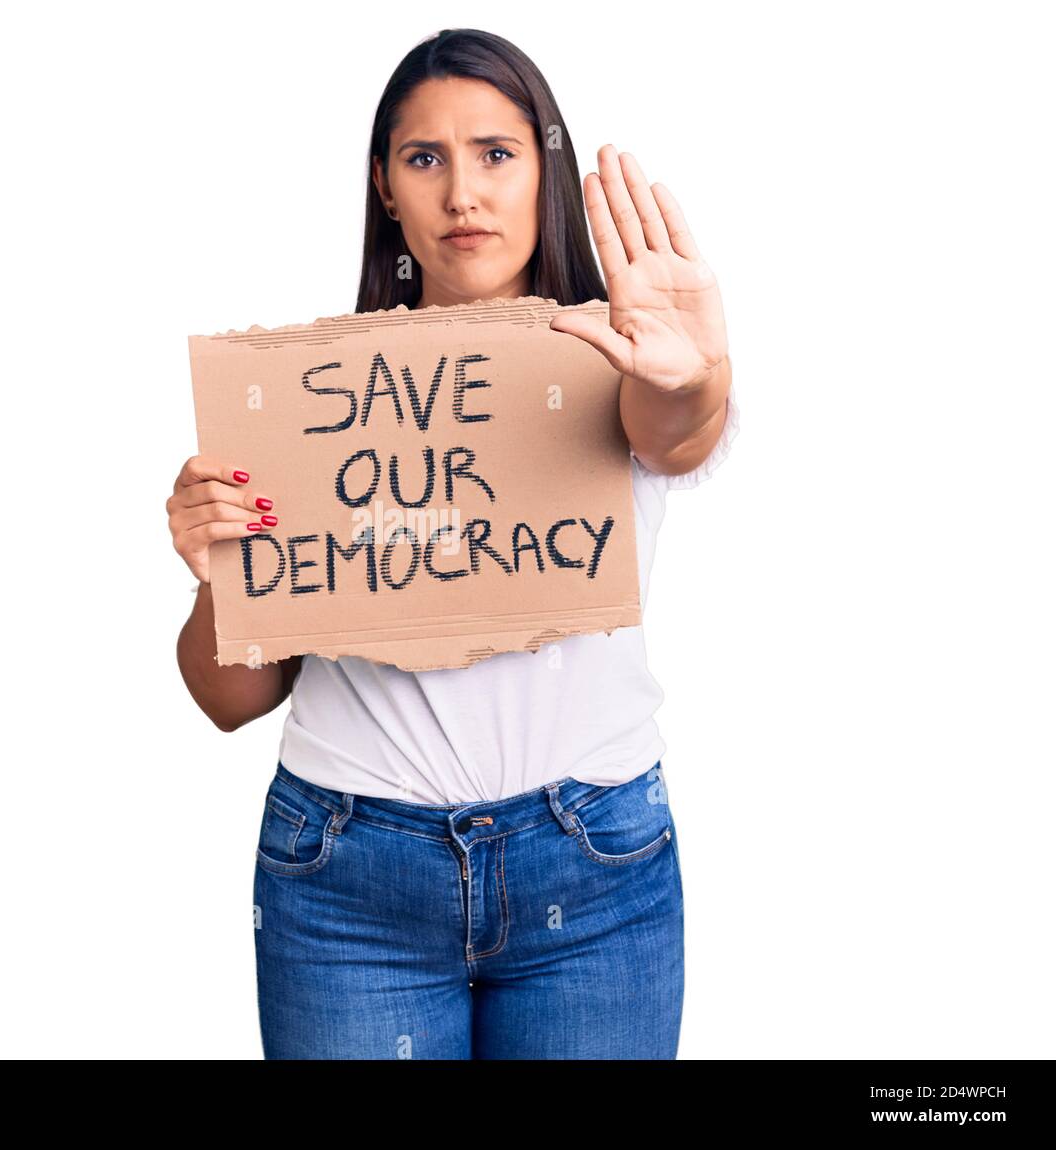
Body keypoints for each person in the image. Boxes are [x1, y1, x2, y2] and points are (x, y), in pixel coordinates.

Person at [166, 28, 738, 1059]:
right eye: (424, 158)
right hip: (346, 881)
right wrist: (219, 577)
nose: (462, 192)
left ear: (542, 169)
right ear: (385, 186)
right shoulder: (305, 403)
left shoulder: (626, 360)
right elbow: (228, 699)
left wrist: (691, 373)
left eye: (495, 153)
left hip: (591, 869)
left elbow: (679, 424)